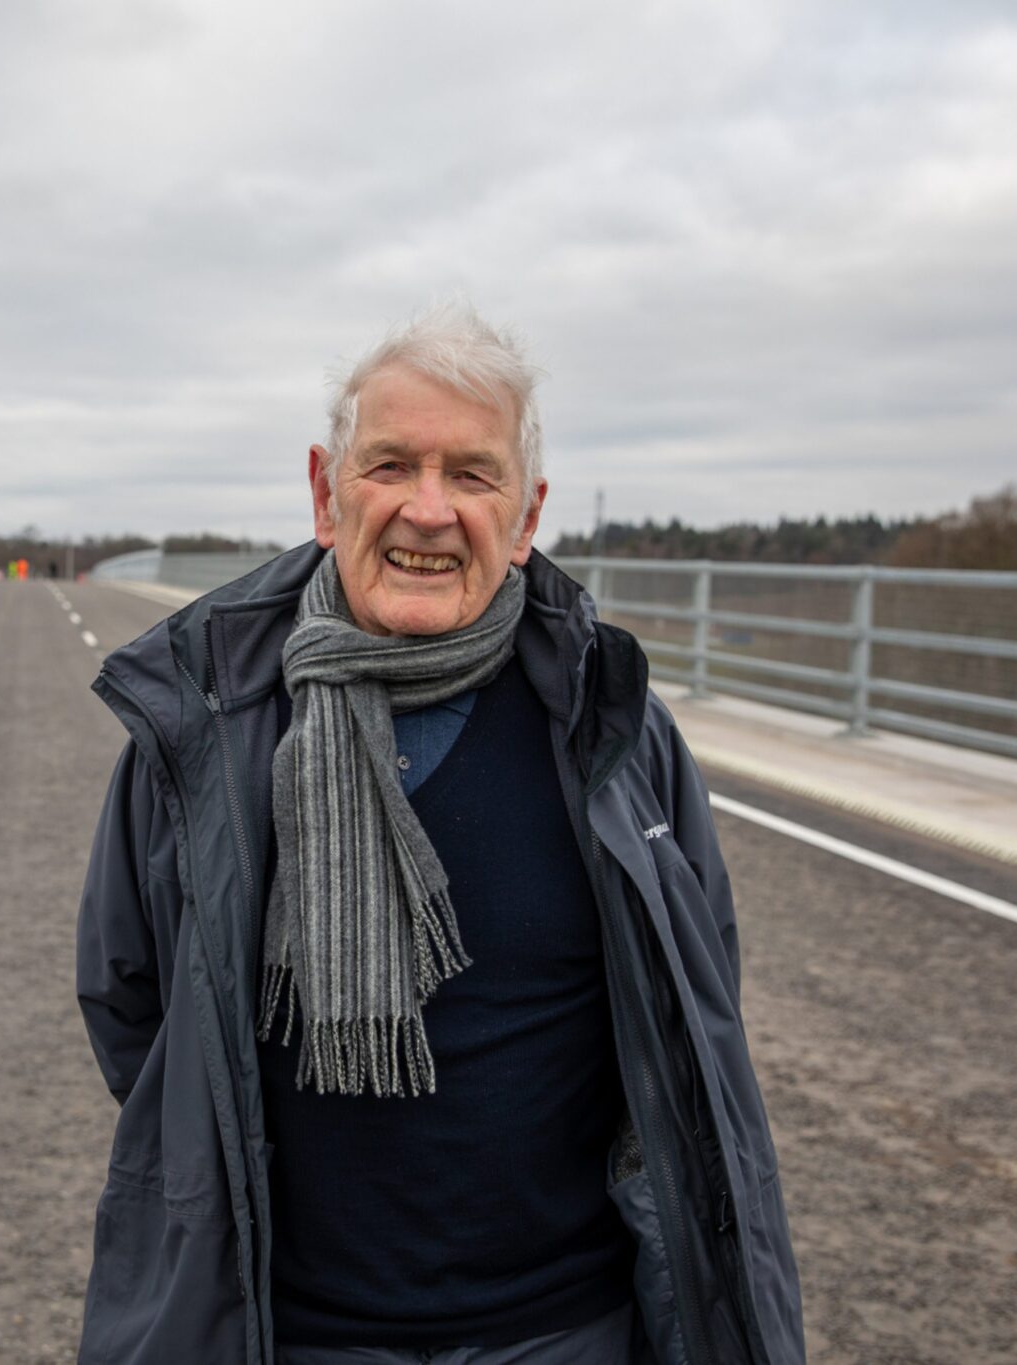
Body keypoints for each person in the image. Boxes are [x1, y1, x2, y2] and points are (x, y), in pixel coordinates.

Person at [74, 301, 804, 1365]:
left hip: (564, 1332)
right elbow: (130, 1001)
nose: (428, 510)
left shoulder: (608, 727)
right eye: (390, 467)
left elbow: (690, 995)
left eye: (470, 474)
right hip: (283, 1335)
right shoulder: (206, 725)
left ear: (525, 514)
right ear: (325, 494)